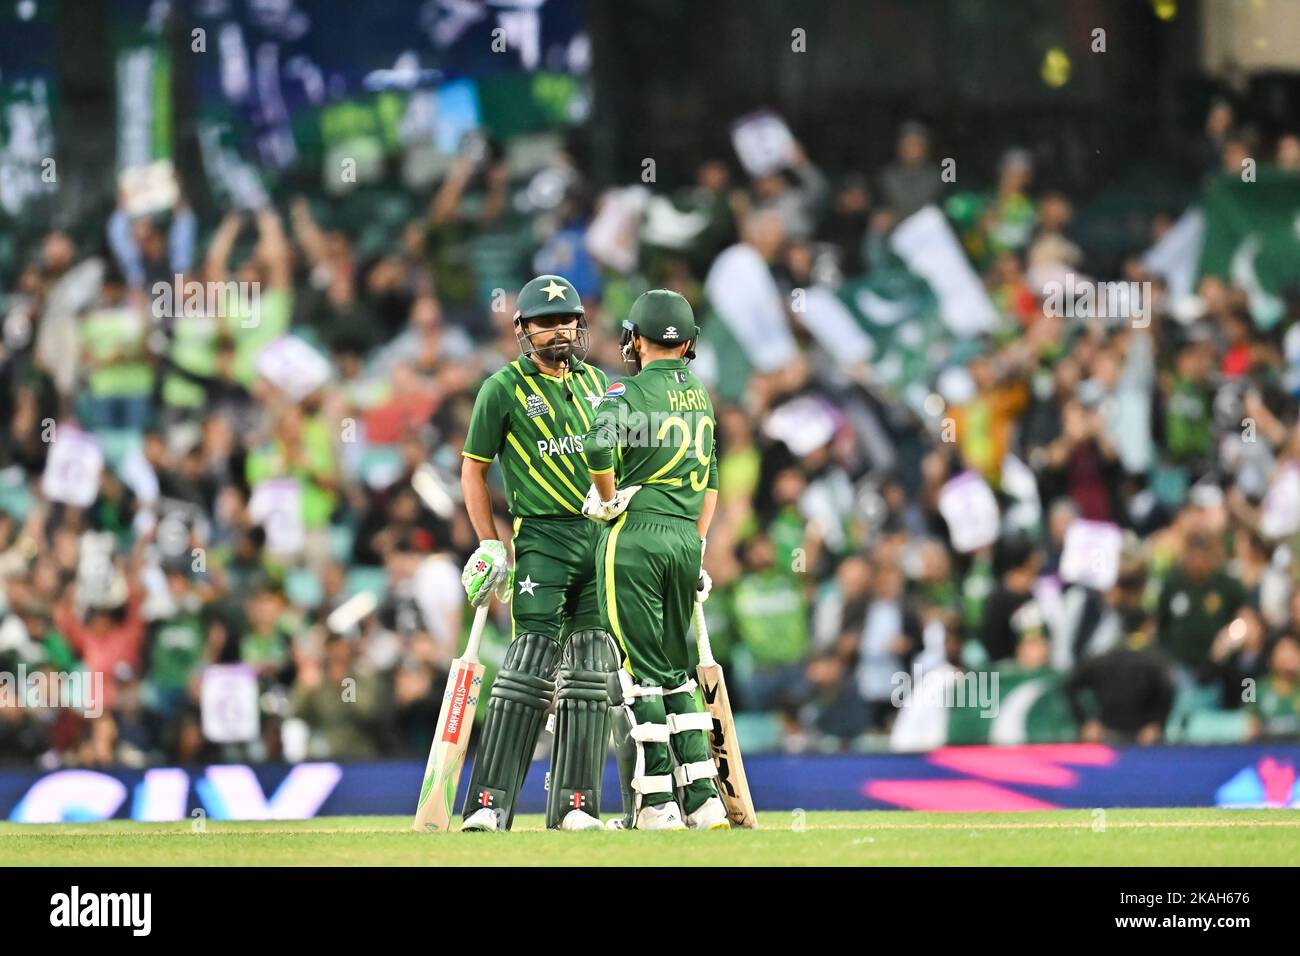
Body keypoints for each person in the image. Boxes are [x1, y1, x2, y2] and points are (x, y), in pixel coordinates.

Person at [457, 274, 617, 832]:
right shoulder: (501, 388)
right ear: (523, 329)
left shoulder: (602, 384)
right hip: (541, 542)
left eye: (566, 320)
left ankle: (575, 807)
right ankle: (488, 804)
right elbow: (473, 471)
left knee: (592, 674)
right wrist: (489, 542)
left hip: (598, 538)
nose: (559, 331)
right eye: (546, 323)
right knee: (528, 667)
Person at [581, 288, 729, 830]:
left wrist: (607, 499)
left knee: (639, 675)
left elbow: (597, 447)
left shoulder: (627, 390)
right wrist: (697, 544)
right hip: (685, 540)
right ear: (688, 343)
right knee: (674, 674)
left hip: (636, 538)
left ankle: (657, 805)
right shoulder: (702, 397)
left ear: (636, 340)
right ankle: (704, 801)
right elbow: (711, 481)